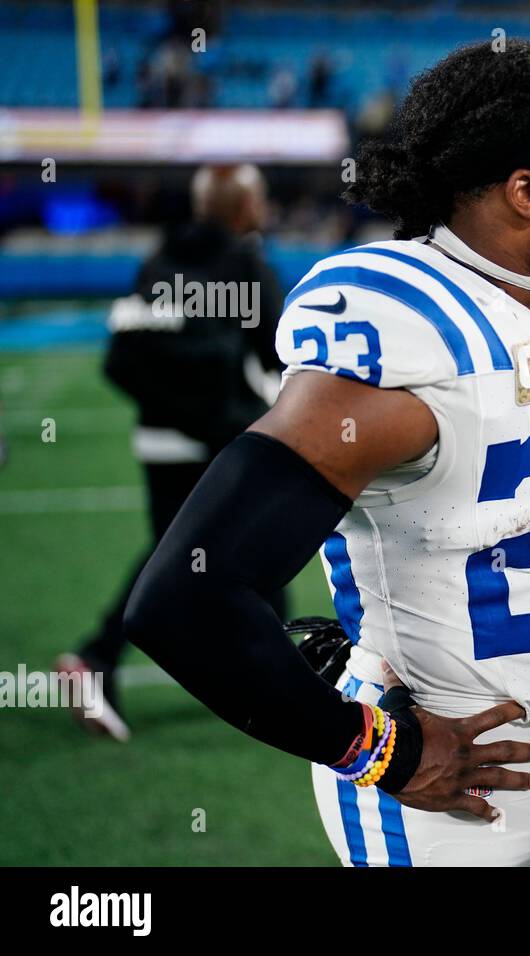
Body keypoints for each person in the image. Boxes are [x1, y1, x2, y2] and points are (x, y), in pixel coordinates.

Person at [124, 39, 530, 867]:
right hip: (453, 785)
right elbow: (186, 595)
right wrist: (377, 750)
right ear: (528, 192)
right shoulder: (404, 335)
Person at [56, 163, 285, 742]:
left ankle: (274, 676)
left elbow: (121, 357)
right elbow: (282, 358)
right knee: (194, 558)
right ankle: (96, 657)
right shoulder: (246, 266)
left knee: (230, 554)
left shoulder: (159, 262)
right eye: (257, 200)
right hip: (219, 442)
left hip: (158, 440)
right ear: (242, 208)